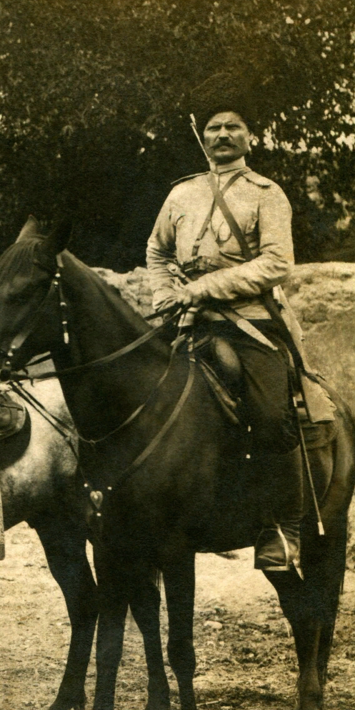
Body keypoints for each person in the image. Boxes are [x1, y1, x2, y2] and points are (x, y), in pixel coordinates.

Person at [146, 97, 305, 571]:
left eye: (233, 127)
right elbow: (157, 251)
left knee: (272, 410)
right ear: (204, 137)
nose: (222, 135)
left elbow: (277, 263)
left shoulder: (266, 193)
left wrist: (205, 287)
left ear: (249, 137)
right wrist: (163, 296)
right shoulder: (181, 194)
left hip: (249, 322)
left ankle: (282, 526)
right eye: (214, 127)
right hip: (188, 321)